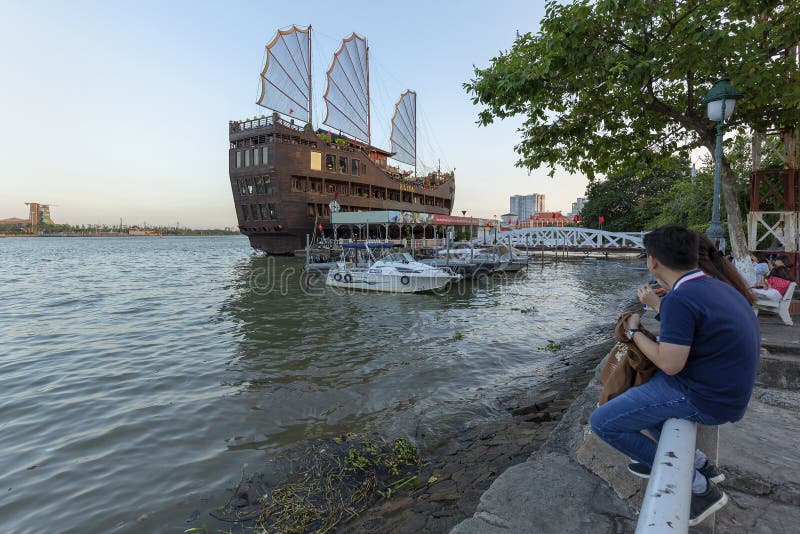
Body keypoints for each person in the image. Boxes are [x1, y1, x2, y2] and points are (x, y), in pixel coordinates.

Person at [590, 225, 760, 526]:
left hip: (706, 397)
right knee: (640, 399)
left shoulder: (680, 299)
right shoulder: (714, 285)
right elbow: (693, 339)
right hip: (726, 390)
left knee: (604, 421)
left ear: (653, 261)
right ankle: (697, 464)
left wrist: (632, 331)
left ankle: (699, 489)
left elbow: (670, 365)